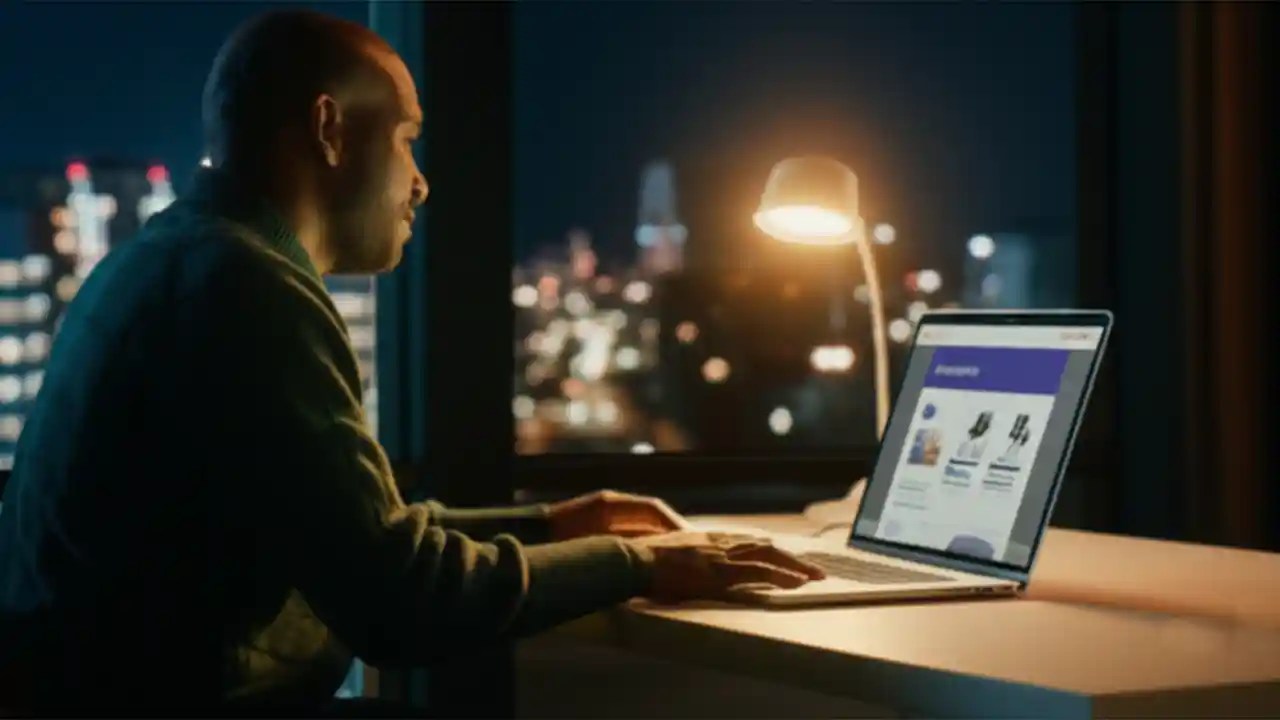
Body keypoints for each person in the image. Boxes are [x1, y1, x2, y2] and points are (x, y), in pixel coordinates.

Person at [0, 10, 822, 715]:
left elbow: (353, 542)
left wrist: (553, 523)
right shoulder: (247, 290)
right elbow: (401, 605)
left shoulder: (177, 258)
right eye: (406, 139)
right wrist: (636, 565)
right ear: (329, 131)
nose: (421, 183)